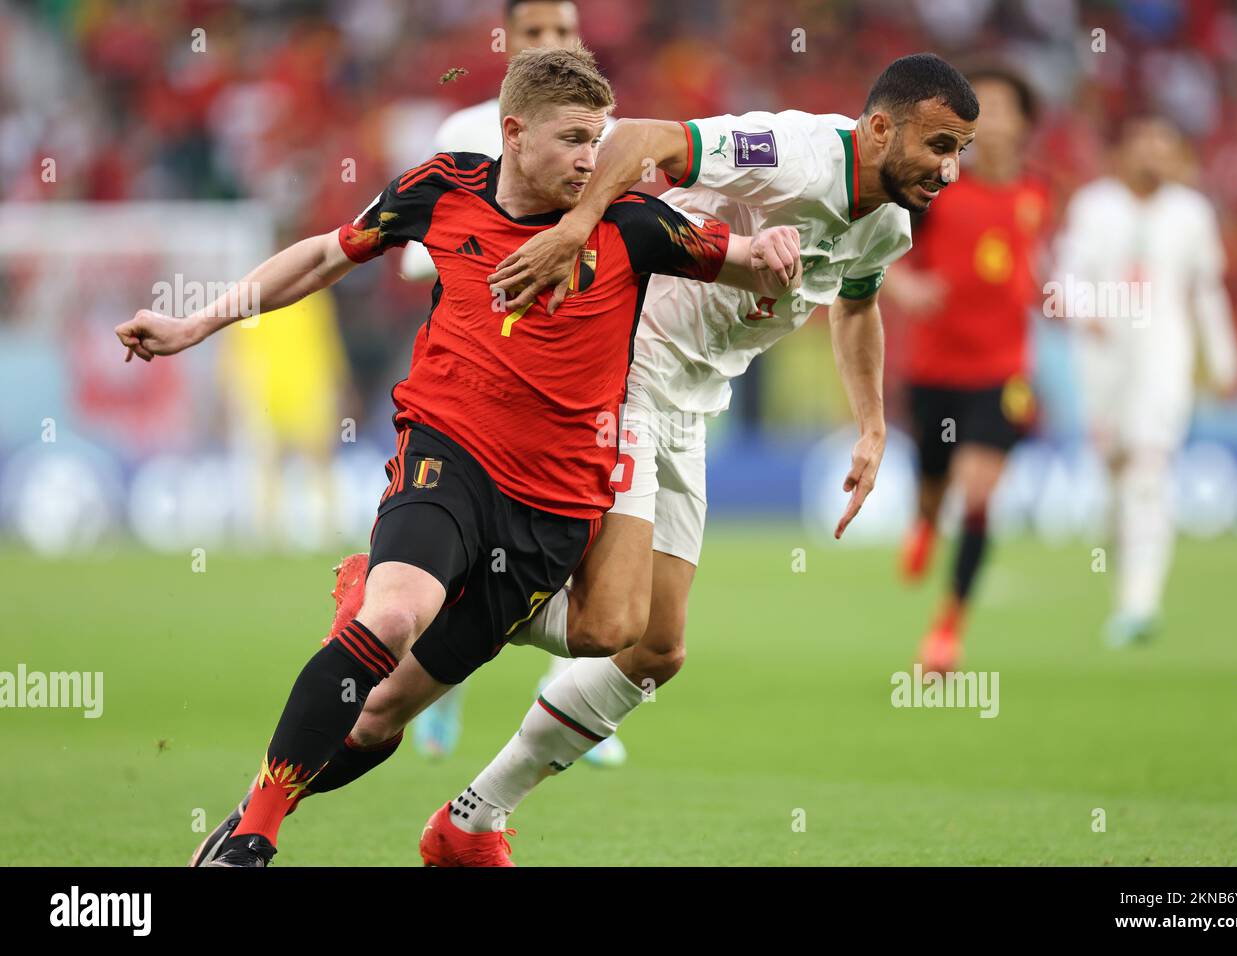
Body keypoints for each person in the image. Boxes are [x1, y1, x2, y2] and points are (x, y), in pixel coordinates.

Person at [118, 46, 801, 867]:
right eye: (575, 139)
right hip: (450, 456)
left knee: (380, 719)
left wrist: (777, 249)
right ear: (515, 133)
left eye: (601, 138)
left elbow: (744, 260)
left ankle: (260, 791)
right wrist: (199, 322)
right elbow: (329, 253)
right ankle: (255, 837)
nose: (594, 159)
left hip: (552, 505)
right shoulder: (442, 189)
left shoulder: (634, 225)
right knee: (396, 613)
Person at [325, 53, 979, 866]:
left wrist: (874, 424)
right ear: (882, 126)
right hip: (626, 370)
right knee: (606, 619)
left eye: (962, 152)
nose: (950, 169)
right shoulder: (791, 153)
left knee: (654, 649)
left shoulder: (888, 223)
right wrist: (573, 231)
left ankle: (471, 819)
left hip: (693, 402)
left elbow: (858, 304)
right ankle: (430, 583)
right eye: (940, 145)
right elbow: (642, 140)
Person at [394, 0, 626, 768]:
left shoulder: (604, 134)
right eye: (536, 34)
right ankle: (439, 688)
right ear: (507, 43)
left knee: (576, 541)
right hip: (482, 362)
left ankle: (568, 695)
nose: (553, 42)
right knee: (463, 547)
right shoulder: (466, 132)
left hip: (574, 367)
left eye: (564, 31)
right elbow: (418, 252)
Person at [884, 64, 1049, 673]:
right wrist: (908, 290)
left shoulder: (1039, 193)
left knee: (979, 494)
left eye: (1005, 107)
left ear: (1025, 123)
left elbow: (1036, 266)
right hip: (934, 368)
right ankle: (925, 522)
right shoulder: (937, 186)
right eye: (987, 110)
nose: (994, 120)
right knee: (935, 485)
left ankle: (946, 630)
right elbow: (887, 254)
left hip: (1003, 372)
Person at [1054, 115, 1237, 646]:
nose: (1155, 154)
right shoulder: (1095, 206)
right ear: (1124, 151)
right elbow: (1066, 273)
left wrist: (1222, 360)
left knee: (1149, 467)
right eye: (1145, 143)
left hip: (1164, 356)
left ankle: (1140, 603)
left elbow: (1206, 290)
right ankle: (1123, 563)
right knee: (1115, 470)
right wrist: (1081, 309)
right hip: (1103, 360)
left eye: (1166, 144)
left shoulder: (1192, 214)